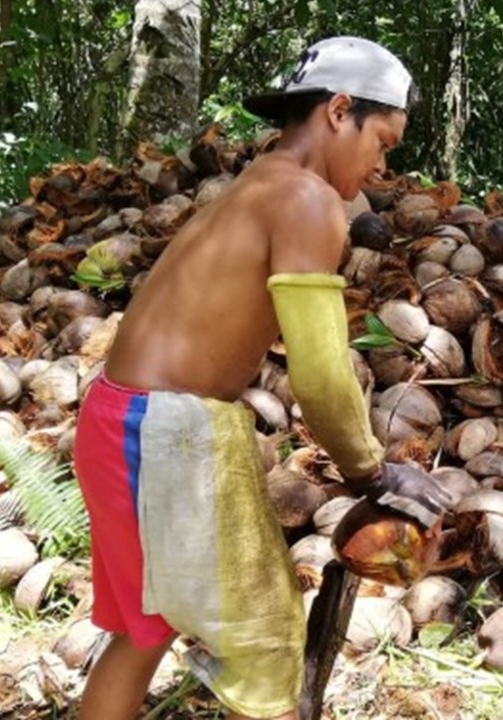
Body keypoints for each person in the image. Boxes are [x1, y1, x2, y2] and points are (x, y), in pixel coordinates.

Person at [72, 36, 451, 720]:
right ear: (340, 112)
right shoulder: (306, 201)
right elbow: (318, 370)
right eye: (383, 140)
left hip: (116, 416)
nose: (383, 164)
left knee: (143, 628)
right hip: (165, 432)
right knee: (269, 639)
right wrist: (373, 473)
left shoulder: (261, 181)